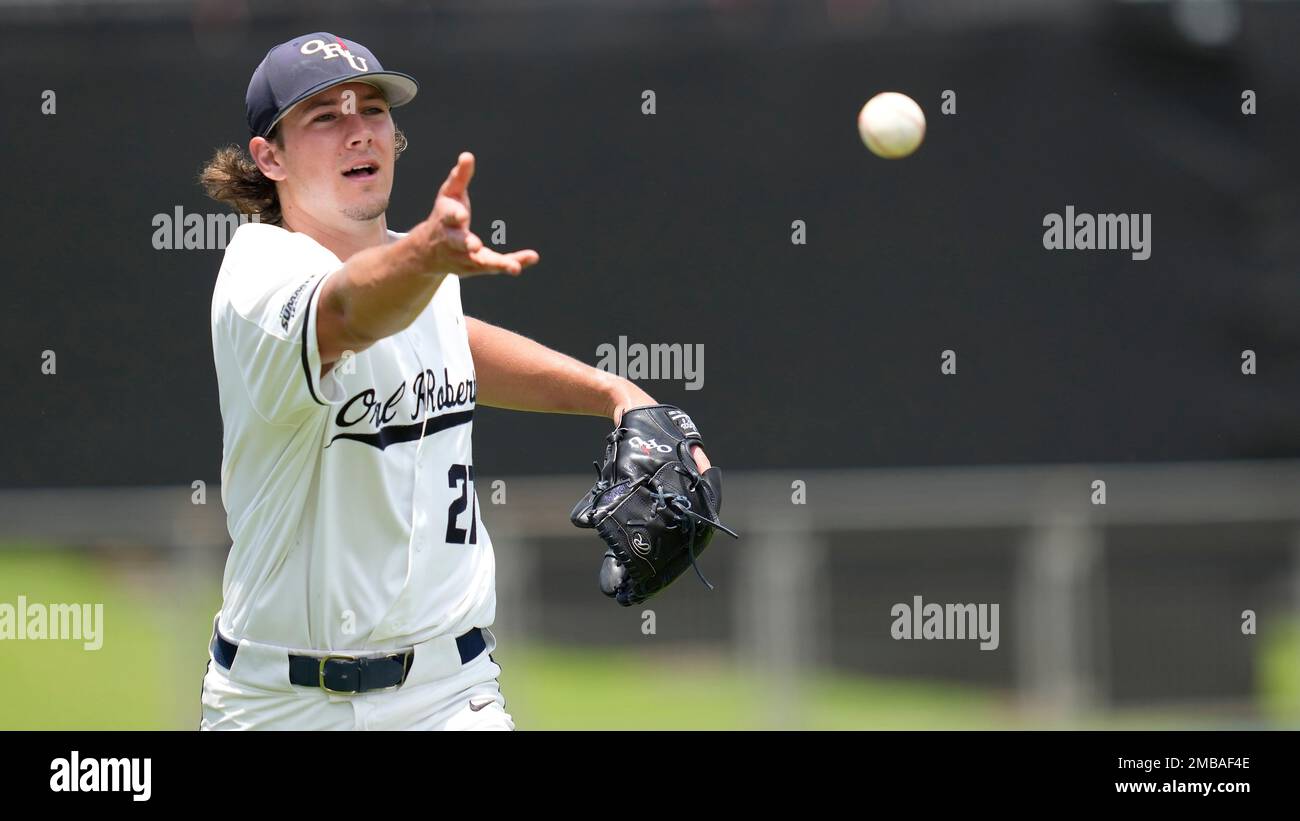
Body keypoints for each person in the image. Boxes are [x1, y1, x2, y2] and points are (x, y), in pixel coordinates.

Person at [197, 32, 709, 730]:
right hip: (282, 702)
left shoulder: (414, 275)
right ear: (269, 156)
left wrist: (612, 391)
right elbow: (349, 311)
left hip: (449, 694)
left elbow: (444, 338)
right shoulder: (260, 275)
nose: (358, 132)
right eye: (324, 117)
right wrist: (424, 258)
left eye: (372, 109)